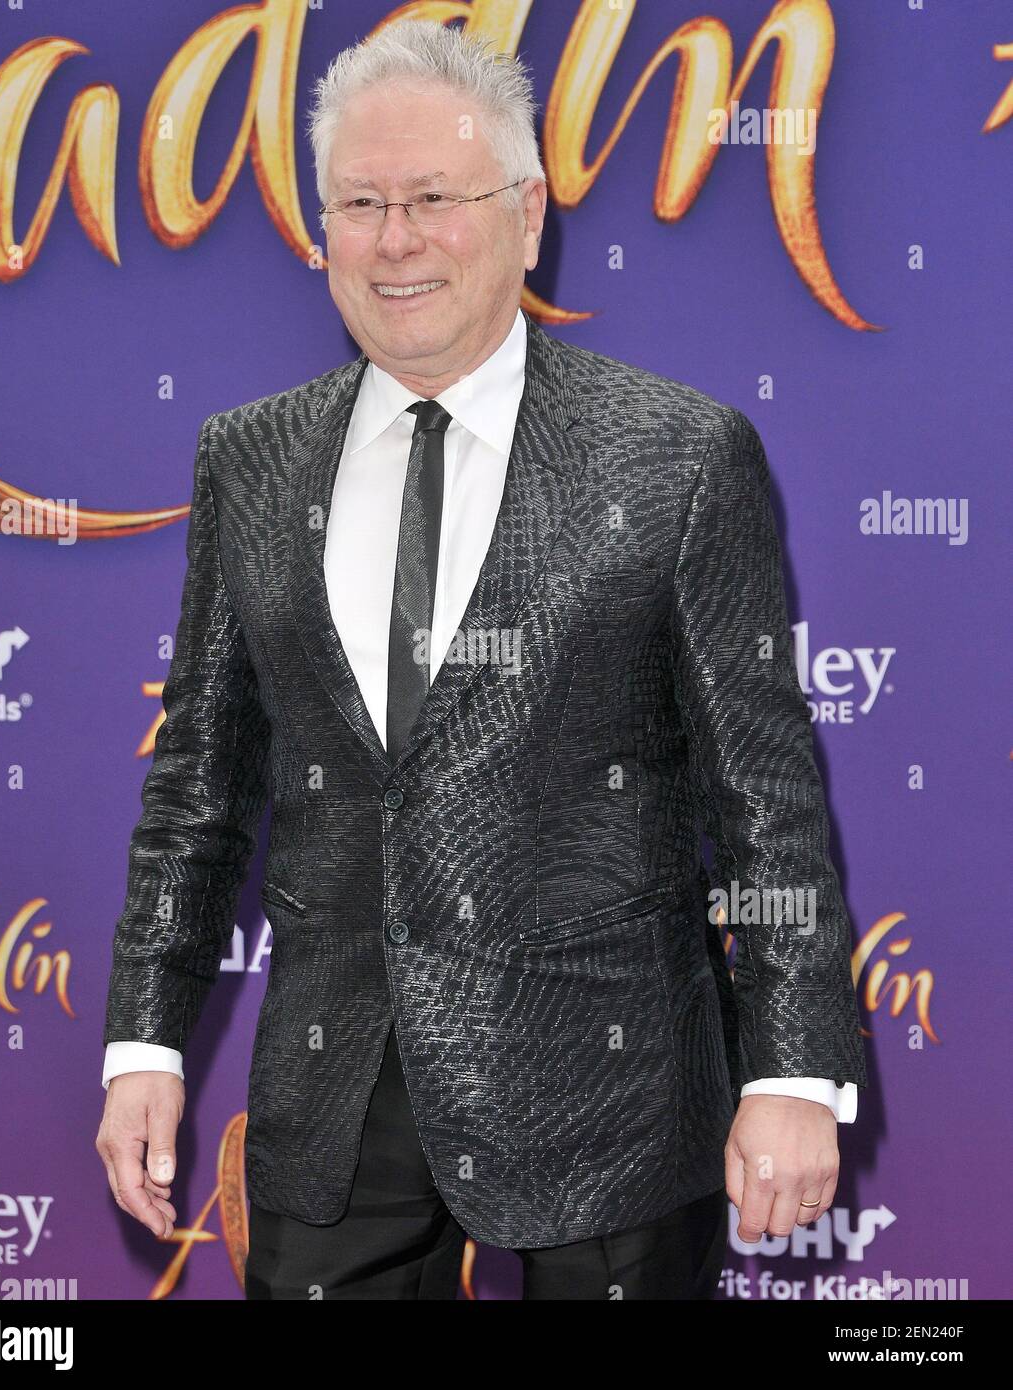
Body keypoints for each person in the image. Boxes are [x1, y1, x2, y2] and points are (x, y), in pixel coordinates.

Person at [96, 19, 866, 1300]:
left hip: (606, 1105)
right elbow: (197, 787)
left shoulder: (673, 456)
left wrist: (789, 1072)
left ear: (525, 213)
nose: (394, 240)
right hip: (333, 1107)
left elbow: (764, 801)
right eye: (359, 203)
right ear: (322, 230)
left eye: (433, 199)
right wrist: (144, 1041)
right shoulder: (249, 457)